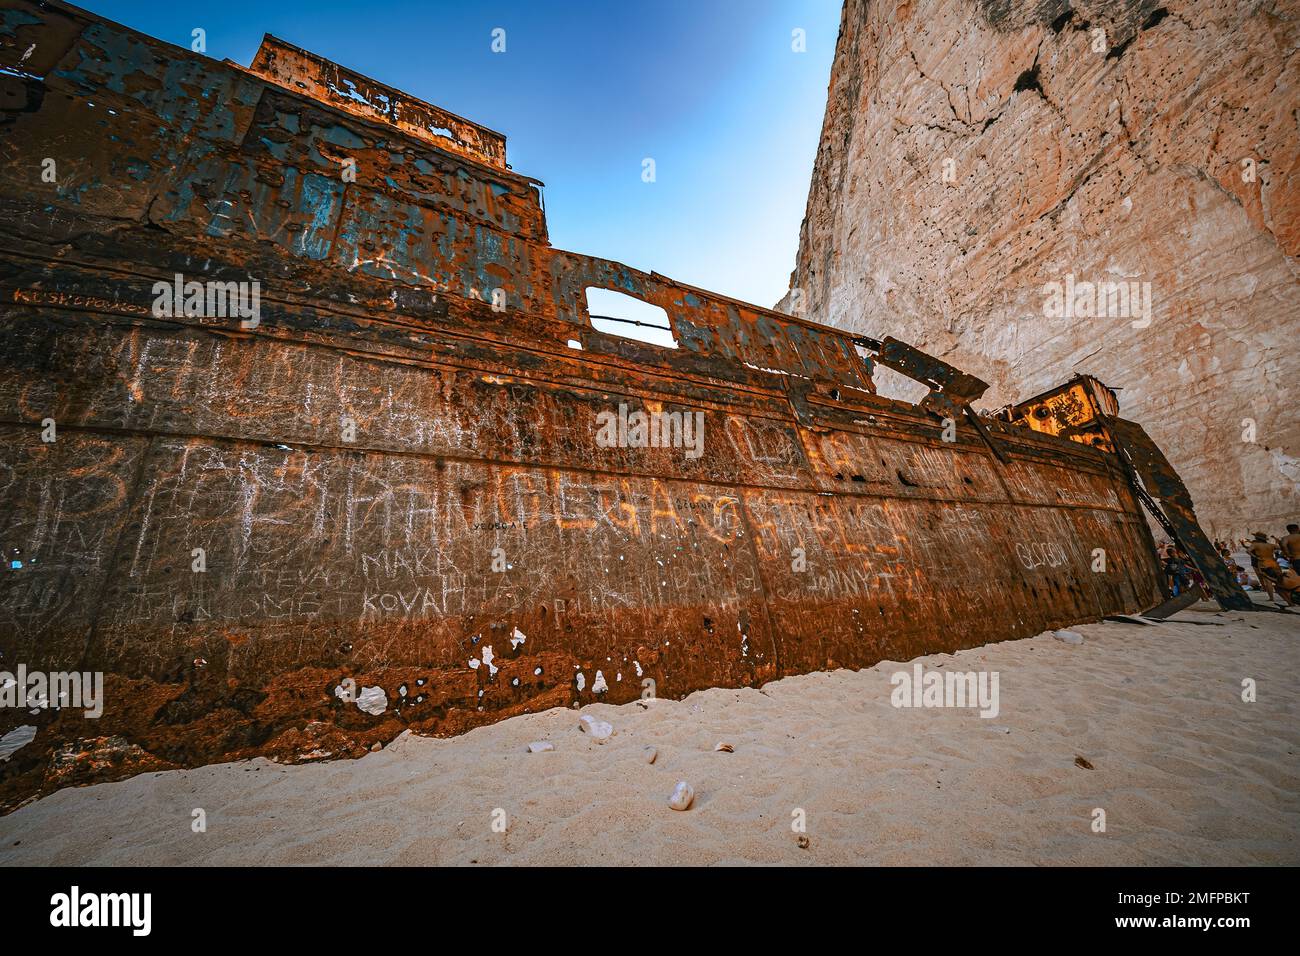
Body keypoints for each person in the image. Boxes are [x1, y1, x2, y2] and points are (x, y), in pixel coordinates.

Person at [1246, 531, 1282, 603]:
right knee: (1279, 579)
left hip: (1263, 563)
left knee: (1268, 581)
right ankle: (1286, 596)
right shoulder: (1271, 545)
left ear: (1257, 538)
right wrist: (1277, 557)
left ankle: (1271, 598)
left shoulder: (1256, 545)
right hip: (1273, 562)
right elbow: (1282, 548)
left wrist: (1255, 557)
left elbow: (1248, 551)